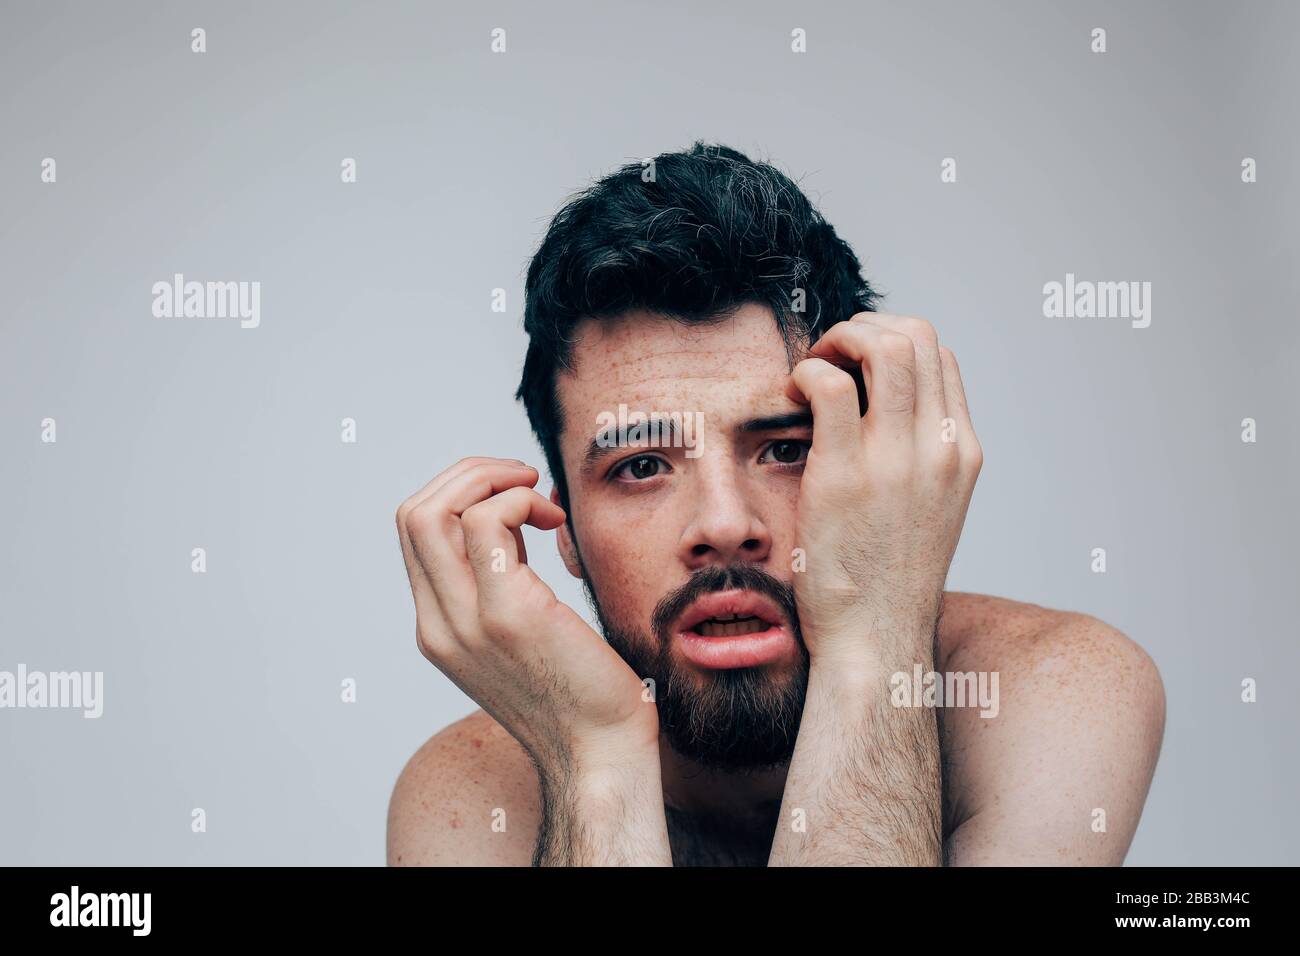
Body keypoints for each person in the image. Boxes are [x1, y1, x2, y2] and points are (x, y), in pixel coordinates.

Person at [387, 143, 1165, 866]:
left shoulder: (1046, 691)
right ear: (565, 530)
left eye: (786, 450)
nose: (726, 526)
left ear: (887, 465)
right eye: (643, 465)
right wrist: (589, 757)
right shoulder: (475, 793)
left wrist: (872, 637)